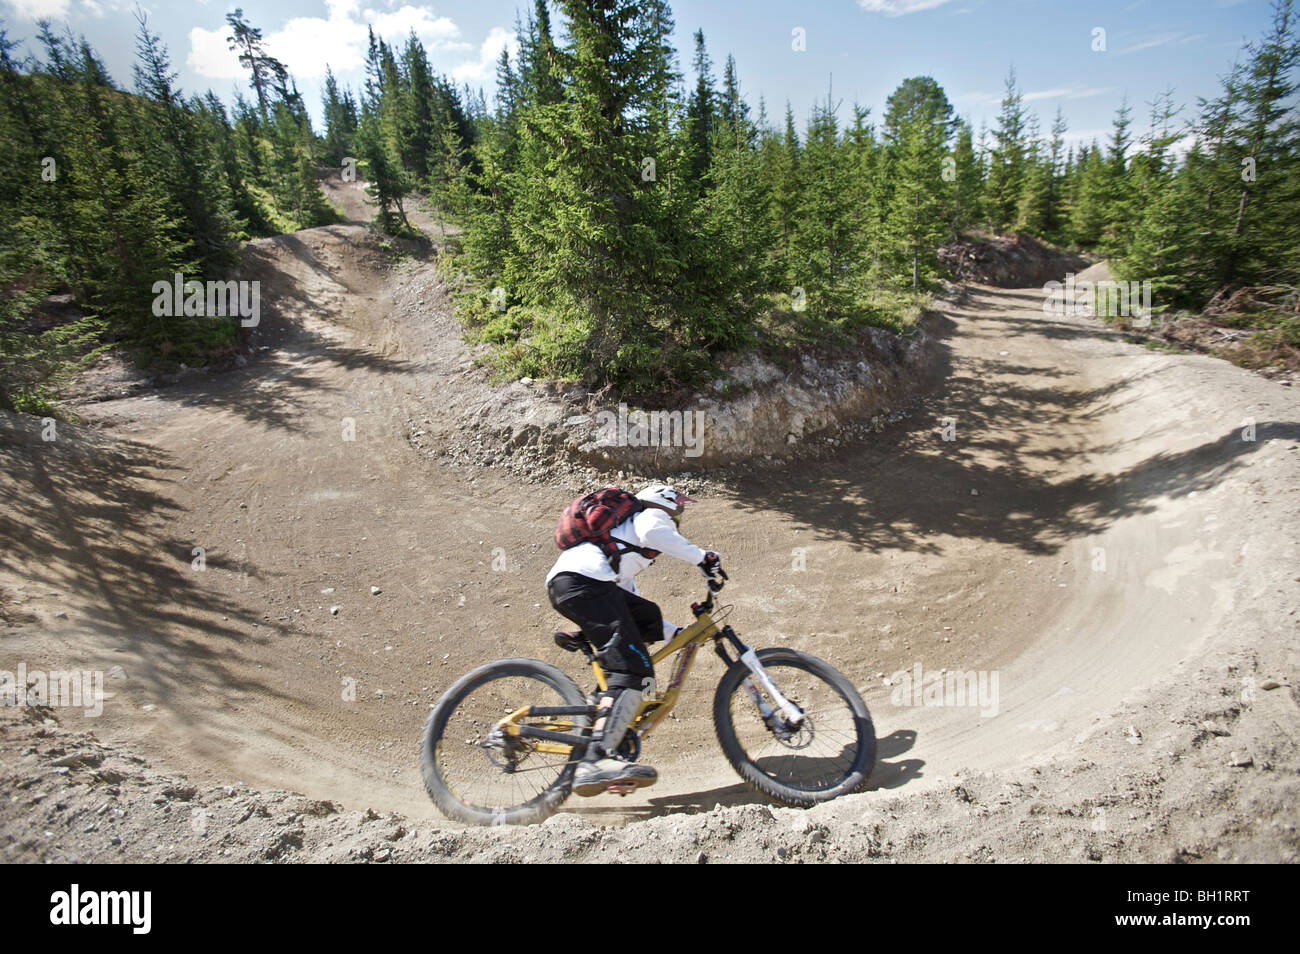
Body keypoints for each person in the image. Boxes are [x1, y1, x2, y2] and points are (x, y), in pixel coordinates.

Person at [545, 484, 722, 796]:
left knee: (646, 616)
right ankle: (595, 760)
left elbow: (627, 600)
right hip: (583, 584)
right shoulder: (650, 516)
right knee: (634, 673)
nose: (680, 513)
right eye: (679, 505)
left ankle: (602, 708)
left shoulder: (620, 544)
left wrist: (677, 635)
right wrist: (701, 558)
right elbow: (656, 530)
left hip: (578, 584)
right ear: (665, 501)